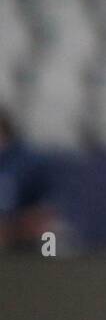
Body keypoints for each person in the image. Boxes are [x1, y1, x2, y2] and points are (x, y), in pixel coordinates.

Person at [0, 107, 58, 253]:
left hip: (22, 236)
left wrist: (16, 226)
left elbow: (47, 209)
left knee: (49, 236)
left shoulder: (28, 163)